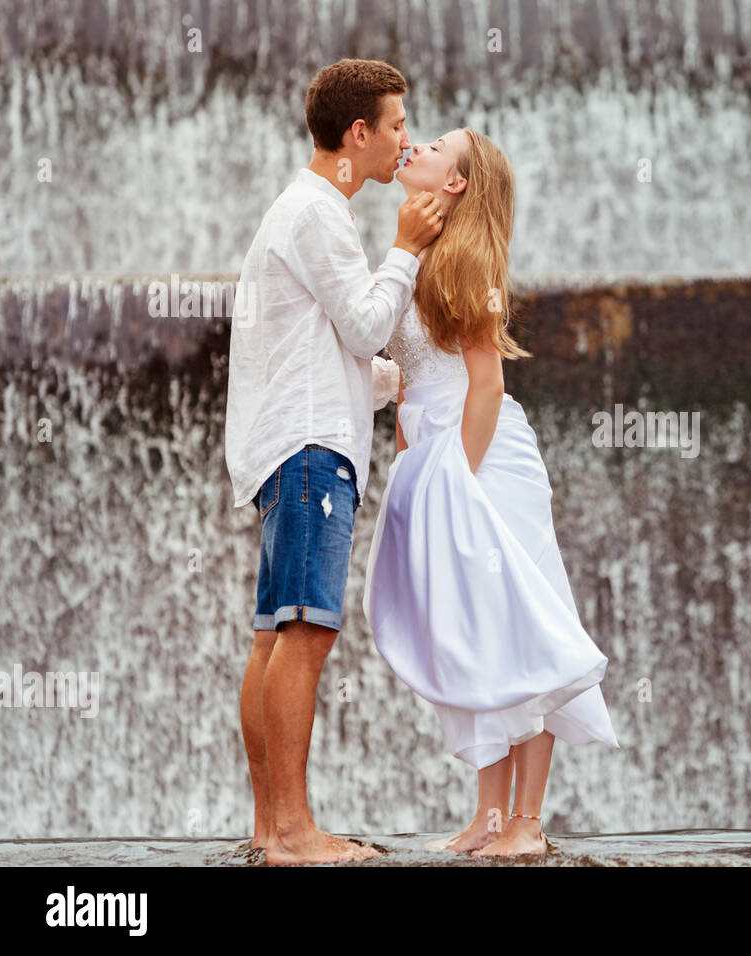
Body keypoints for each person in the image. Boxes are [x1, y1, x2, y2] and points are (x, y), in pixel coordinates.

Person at [362, 128, 620, 858]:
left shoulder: (469, 265)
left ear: (458, 184)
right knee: (476, 633)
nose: (417, 144)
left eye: (437, 144)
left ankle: (528, 823)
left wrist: (459, 481)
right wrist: (414, 466)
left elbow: (487, 383)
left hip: (484, 462)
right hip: (434, 461)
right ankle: (488, 819)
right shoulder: (410, 260)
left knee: (521, 629)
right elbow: (409, 383)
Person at [225, 58, 445, 865]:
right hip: (313, 452)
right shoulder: (321, 214)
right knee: (308, 634)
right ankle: (294, 832)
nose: (404, 140)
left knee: (274, 634)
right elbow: (361, 328)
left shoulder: (297, 210)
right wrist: (408, 250)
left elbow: (333, 352)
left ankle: (268, 830)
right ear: (359, 133)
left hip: (289, 443)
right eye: (395, 125)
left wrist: (403, 384)